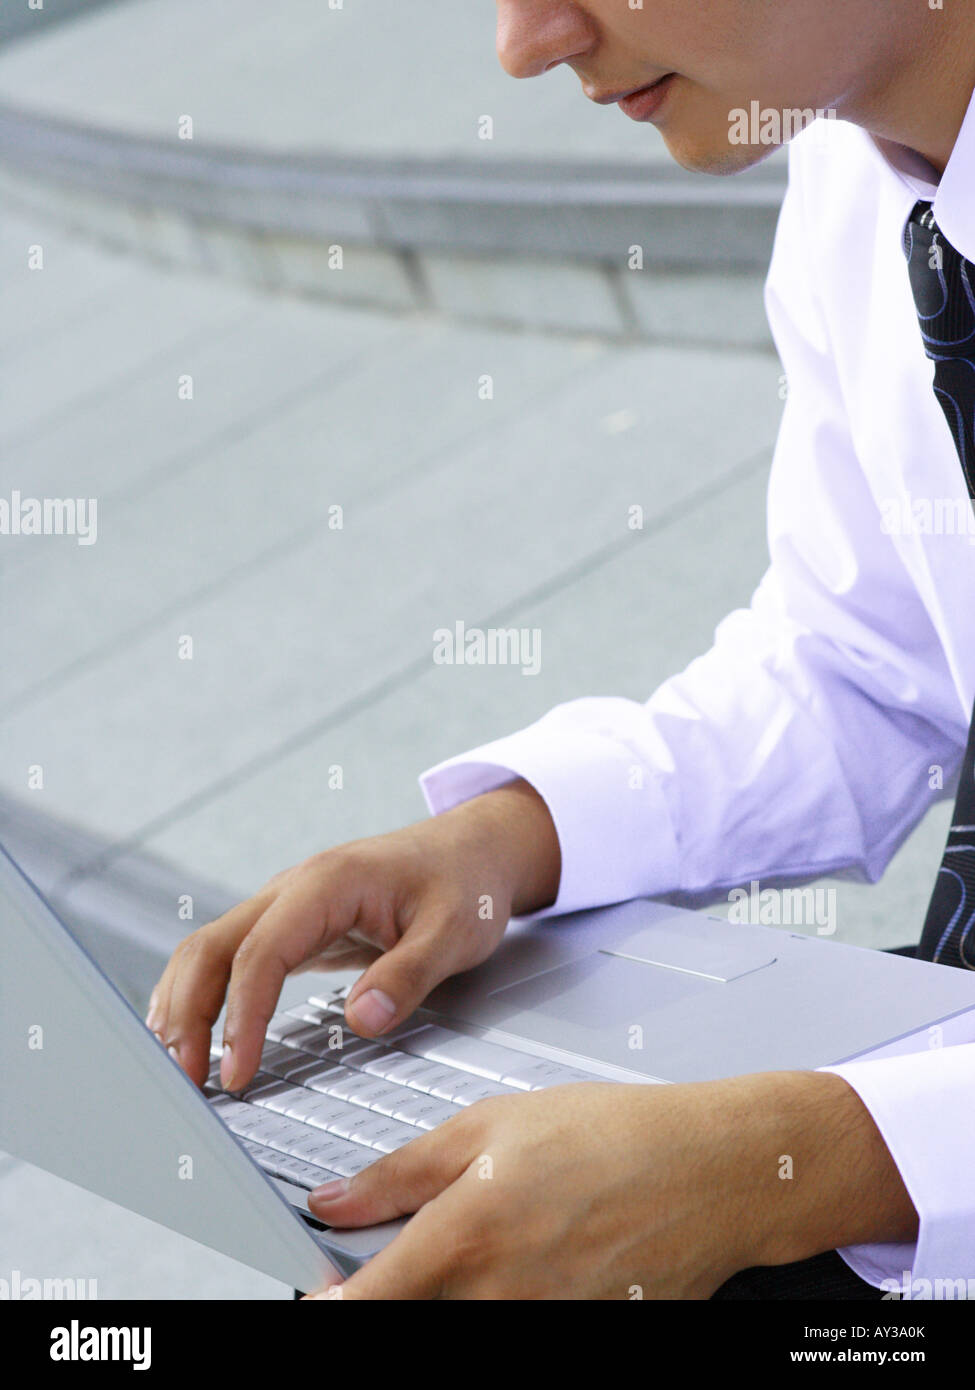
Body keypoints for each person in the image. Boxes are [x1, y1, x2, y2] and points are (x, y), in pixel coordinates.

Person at [147, 1, 975, 1299]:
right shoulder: (852, 180)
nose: (527, 43)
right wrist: (507, 842)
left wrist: (790, 1157)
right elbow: (866, 665)